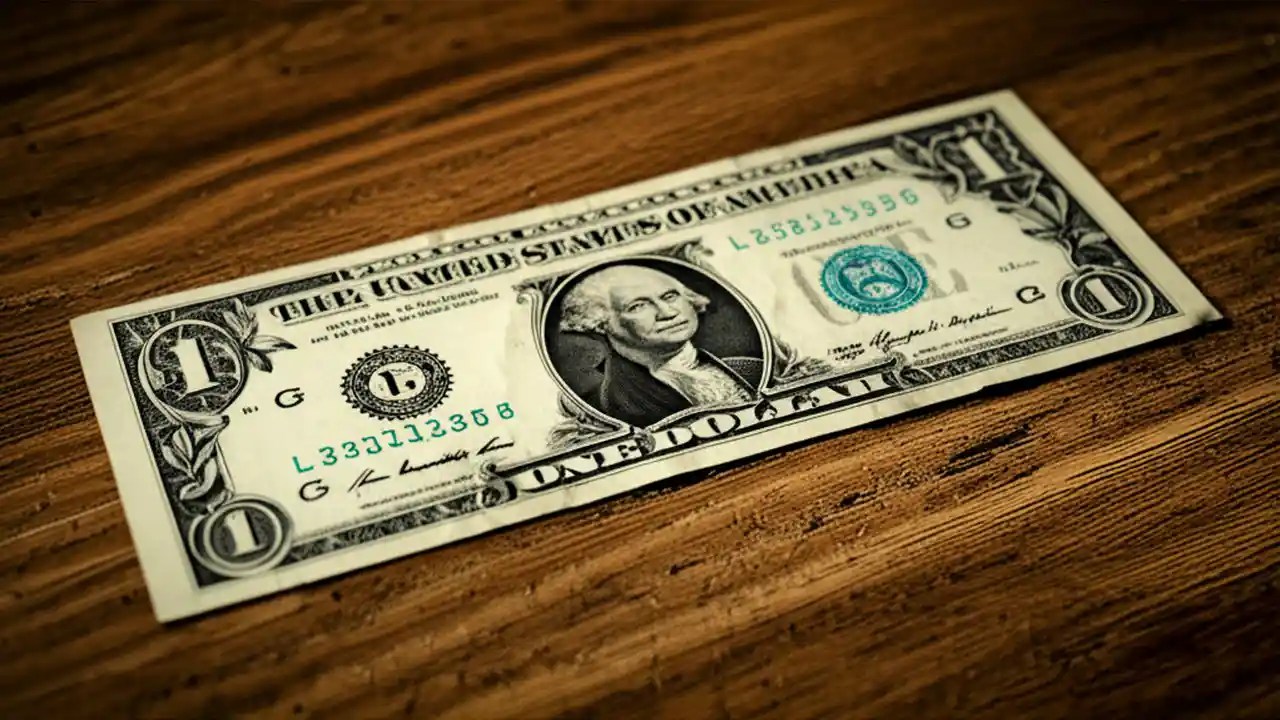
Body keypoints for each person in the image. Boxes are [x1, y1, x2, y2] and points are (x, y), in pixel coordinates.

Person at [559, 264, 763, 427]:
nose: (667, 312)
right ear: (598, 322)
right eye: (638, 306)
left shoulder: (751, 370)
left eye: (670, 296)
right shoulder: (600, 409)